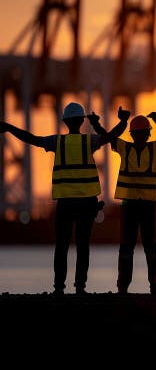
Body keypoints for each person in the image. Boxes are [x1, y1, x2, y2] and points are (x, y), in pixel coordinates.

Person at [0, 103, 128, 294]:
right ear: (81, 120)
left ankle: (59, 287)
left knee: (62, 246)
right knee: (83, 246)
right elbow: (111, 137)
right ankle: (80, 287)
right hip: (87, 203)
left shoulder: (57, 142)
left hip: (65, 203)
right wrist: (123, 121)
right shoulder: (89, 142)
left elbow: (32, 139)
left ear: (66, 122)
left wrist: (9, 128)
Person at [109, 112, 156, 294]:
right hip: (147, 207)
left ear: (132, 133)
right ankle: (154, 287)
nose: (140, 136)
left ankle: (123, 287)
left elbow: (110, 137)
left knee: (127, 247)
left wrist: (122, 122)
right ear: (148, 133)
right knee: (150, 248)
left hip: (131, 206)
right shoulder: (154, 148)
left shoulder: (125, 147)